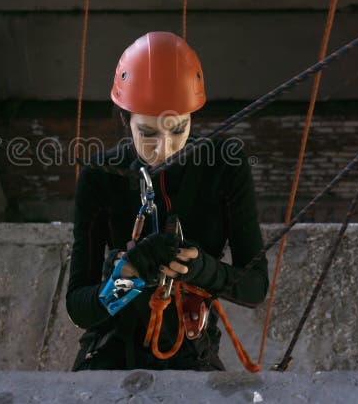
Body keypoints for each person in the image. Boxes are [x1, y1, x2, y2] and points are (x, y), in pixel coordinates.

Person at [66, 31, 269, 371]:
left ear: (192, 117)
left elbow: (255, 287)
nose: (164, 149)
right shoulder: (100, 175)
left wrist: (201, 269)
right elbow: (79, 306)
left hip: (192, 348)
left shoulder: (225, 166)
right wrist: (127, 278)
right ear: (124, 119)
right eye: (147, 134)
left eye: (177, 129)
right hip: (113, 349)